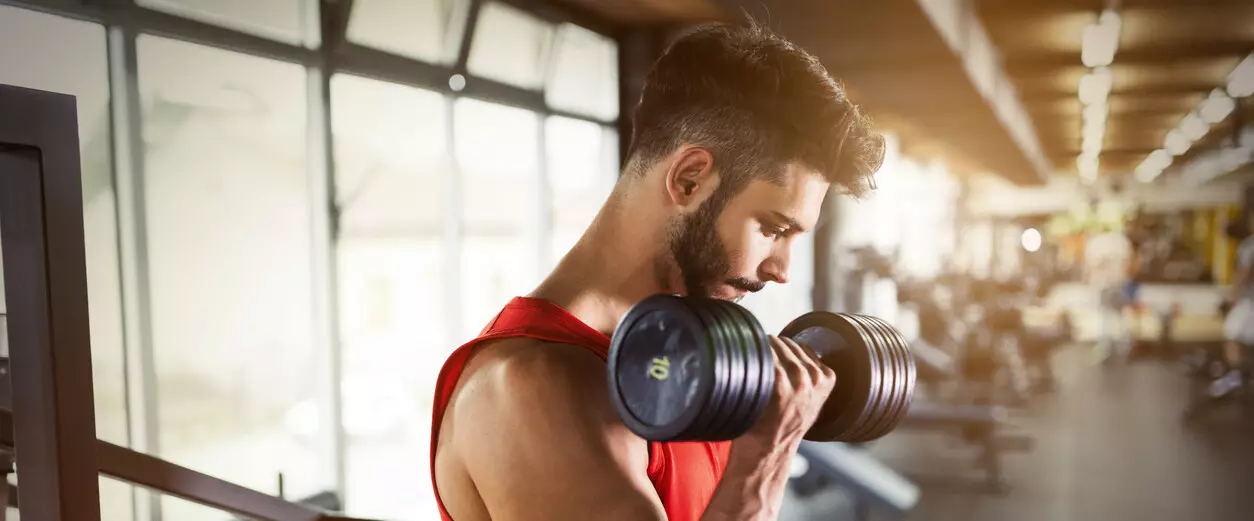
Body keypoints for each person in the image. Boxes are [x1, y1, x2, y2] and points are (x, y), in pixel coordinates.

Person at [429, 22, 885, 521]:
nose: (781, 271)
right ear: (690, 179)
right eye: (773, 228)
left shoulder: (678, 365)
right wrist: (763, 460)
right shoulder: (529, 390)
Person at [1214, 211, 1254, 397]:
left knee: (1231, 334)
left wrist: (1232, 296)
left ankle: (1237, 377)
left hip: (1249, 302)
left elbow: (1244, 273)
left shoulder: (1250, 245)